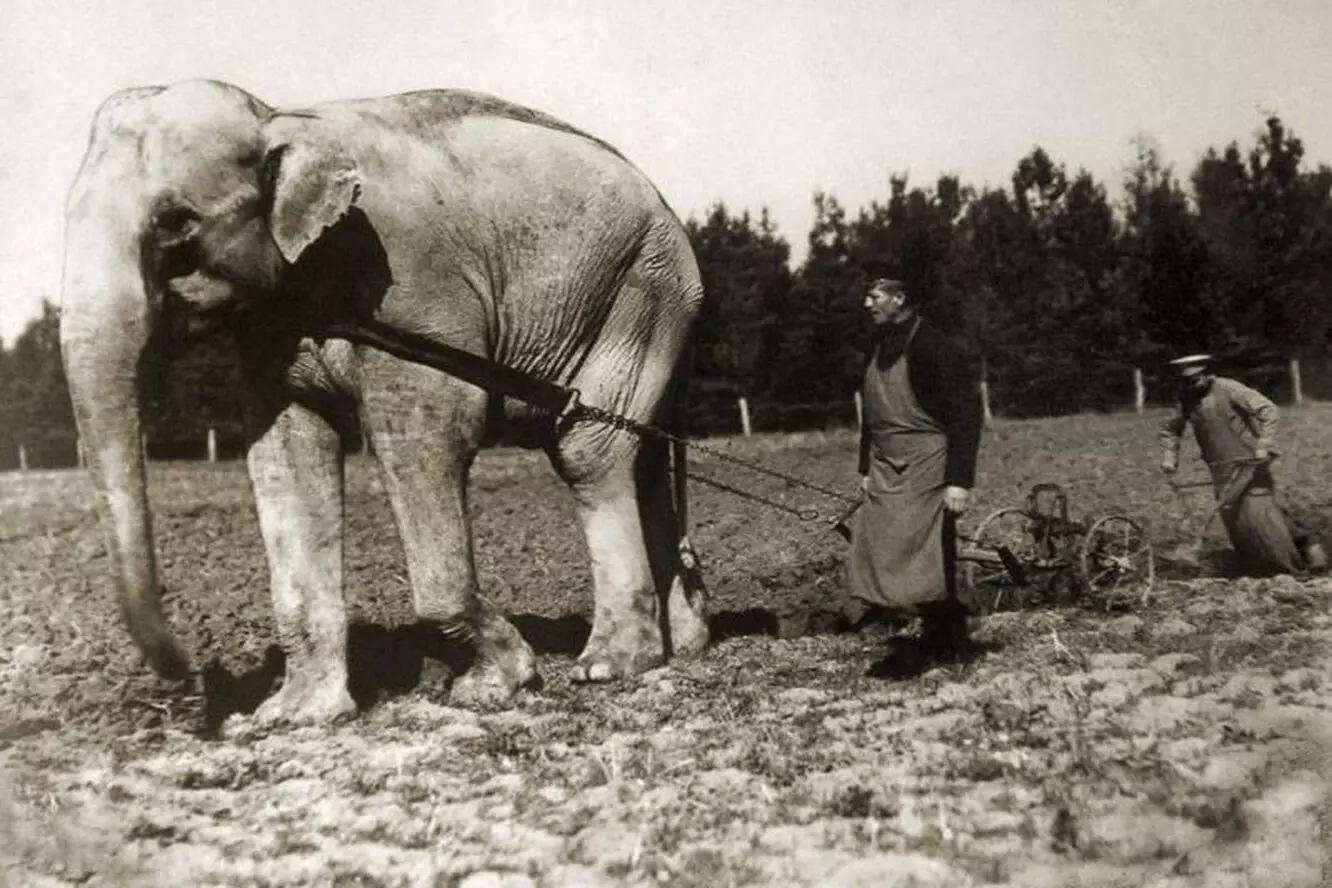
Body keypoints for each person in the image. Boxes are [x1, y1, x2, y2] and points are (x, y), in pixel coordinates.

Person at [848, 277, 984, 665]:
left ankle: (947, 639)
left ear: (899, 298)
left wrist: (959, 480)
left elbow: (965, 415)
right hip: (885, 464)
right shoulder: (877, 345)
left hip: (927, 463)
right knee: (884, 540)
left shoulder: (935, 345)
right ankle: (925, 627)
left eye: (874, 296)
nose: (866, 303)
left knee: (931, 548)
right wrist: (864, 468)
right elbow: (871, 417)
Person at [1159, 353, 1326, 574]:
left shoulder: (1230, 388)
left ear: (1208, 373)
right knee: (1236, 517)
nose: (1193, 383)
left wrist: (1263, 444)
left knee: (1258, 511)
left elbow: (1269, 410)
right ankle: (1294, 550)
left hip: (1250, 460)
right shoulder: (1185, 397)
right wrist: (1170, 457)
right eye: (1188, 380)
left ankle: (1287, 568)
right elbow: (1170, 429)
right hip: (1220, 466)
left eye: (1197, 377)